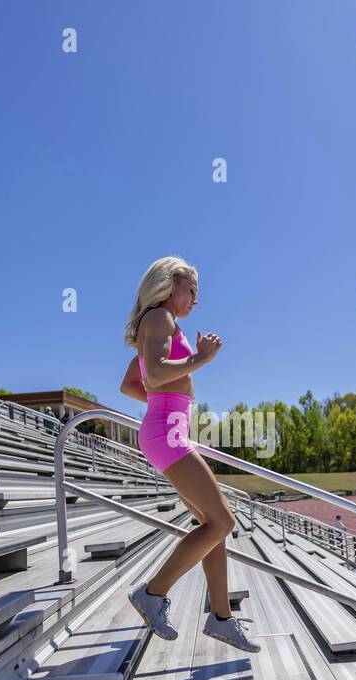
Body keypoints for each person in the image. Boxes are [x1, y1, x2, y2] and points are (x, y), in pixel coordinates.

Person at [118, 256, 259, 653]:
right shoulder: (159, 319)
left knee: (212, 526)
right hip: (167, 434)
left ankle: (221, 619)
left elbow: (130, 383)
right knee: (222, 521)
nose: (195, 298)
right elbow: (156, 374)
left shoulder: (161, 324)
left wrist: (163, 400)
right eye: (191, 289)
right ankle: (152, 593)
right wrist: (201, 360)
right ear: (167, 285)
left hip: (169, 431)